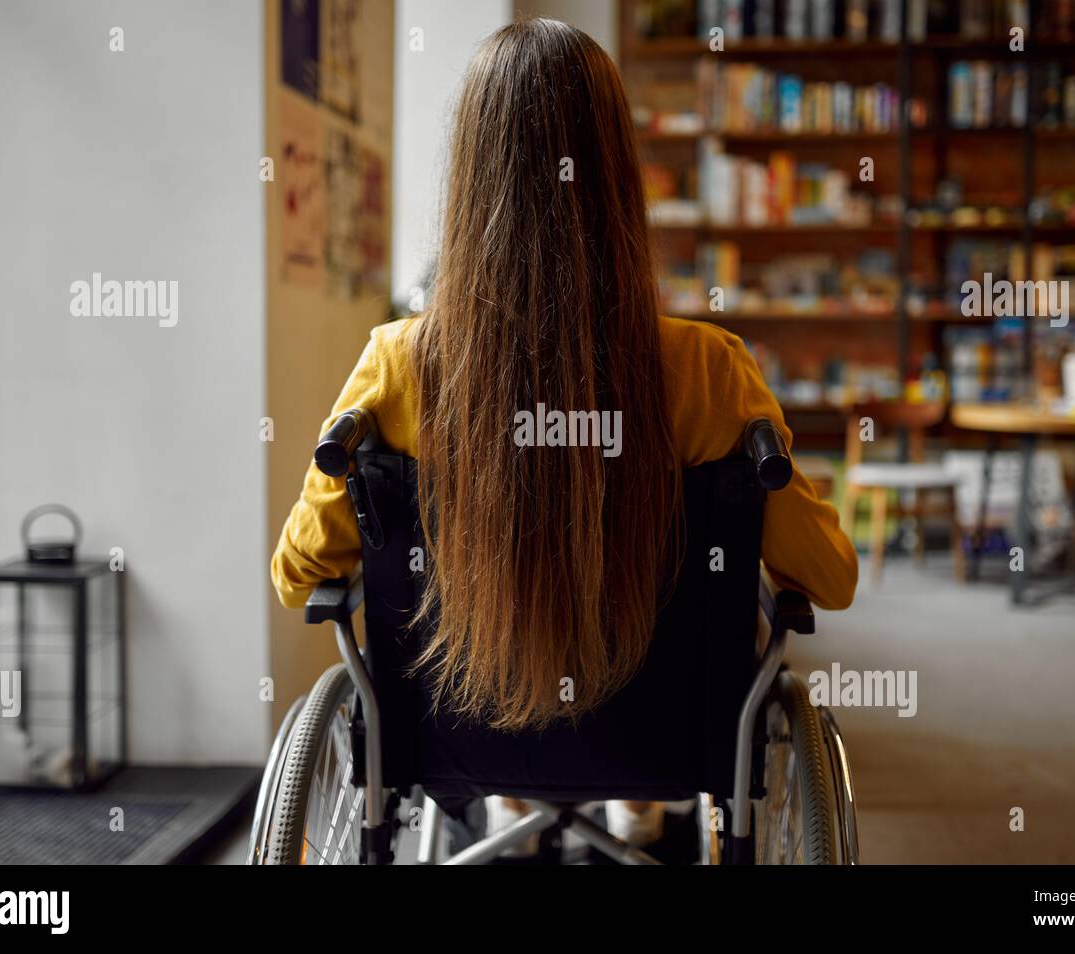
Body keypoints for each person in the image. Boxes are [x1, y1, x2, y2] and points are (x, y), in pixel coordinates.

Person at [271, 18, 857, 855]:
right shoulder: (710, 370)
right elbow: (829, 578)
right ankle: (632, 805)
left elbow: (298, 575)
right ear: (618, 174)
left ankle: (512, 797)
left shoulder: (398, 366)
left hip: (457, 736)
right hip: (666, 738)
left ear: (470, 179)